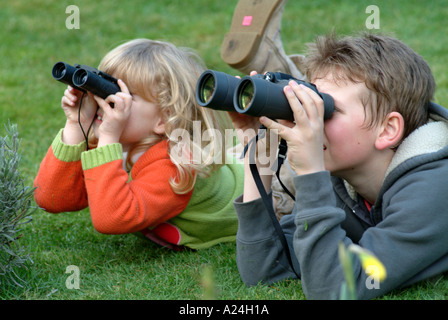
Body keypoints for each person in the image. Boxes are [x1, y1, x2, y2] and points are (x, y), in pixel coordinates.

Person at [231, 32, 448, 299]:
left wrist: (311, 173)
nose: (308, 122)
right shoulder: (338, 179)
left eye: (326, 110)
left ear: (387, 130)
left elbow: (333, 289)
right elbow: (266, 270)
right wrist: (258, 157)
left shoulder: (436, 187)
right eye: (307, 103)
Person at [34, 39, 243, 251]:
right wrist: (76, 127)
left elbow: (112, 218)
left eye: (127, 95)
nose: (105, 100)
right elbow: (51, 198)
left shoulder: (174, 166)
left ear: (163, 119)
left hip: (261, 194)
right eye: (106, 87)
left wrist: (107, 138)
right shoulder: (121, 140)